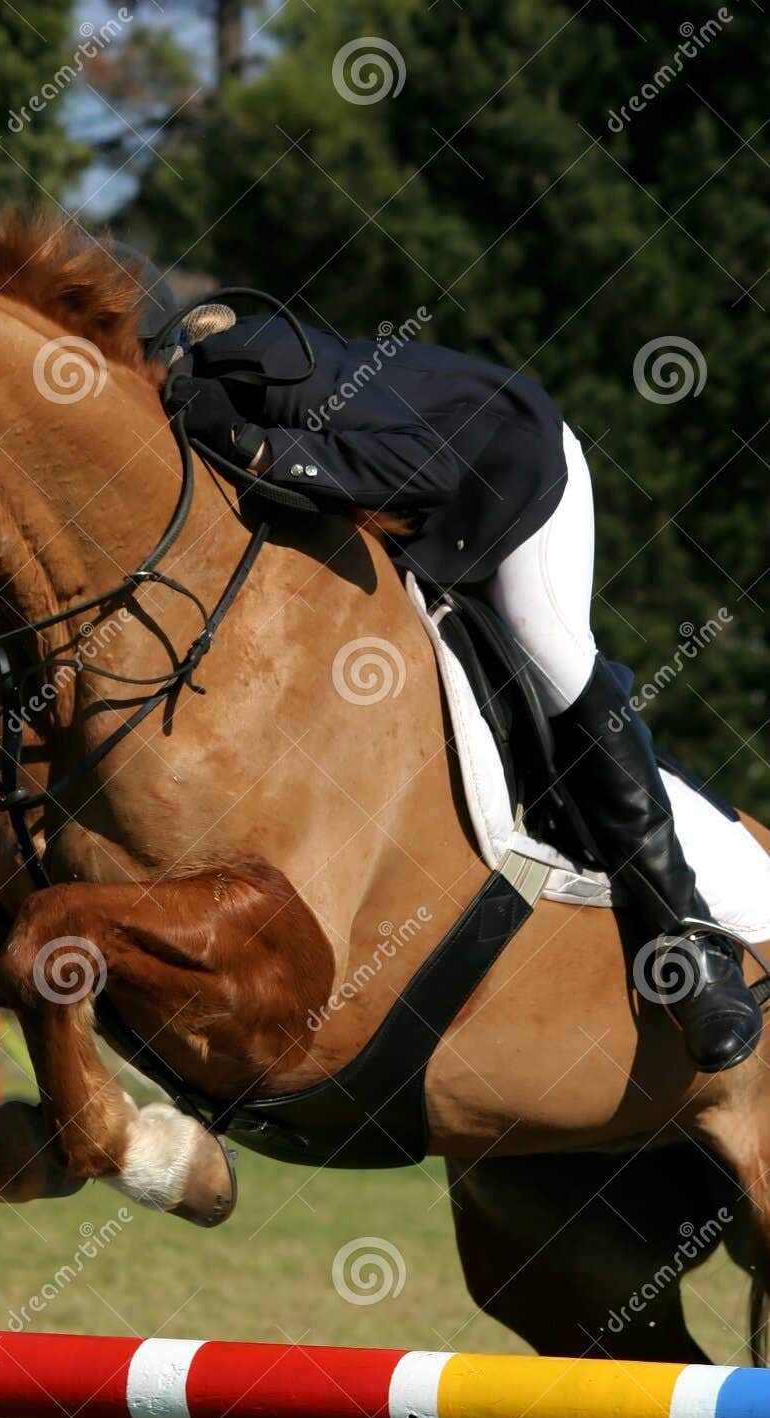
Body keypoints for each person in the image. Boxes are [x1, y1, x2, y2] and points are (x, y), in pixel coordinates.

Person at [162, 311, 762, 1073]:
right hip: (425, 511)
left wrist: (257, 448)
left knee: (552, 656)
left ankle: (691, 944)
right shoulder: (214, 387)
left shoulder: (286, 378)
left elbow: (425, 469)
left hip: (515, 477)